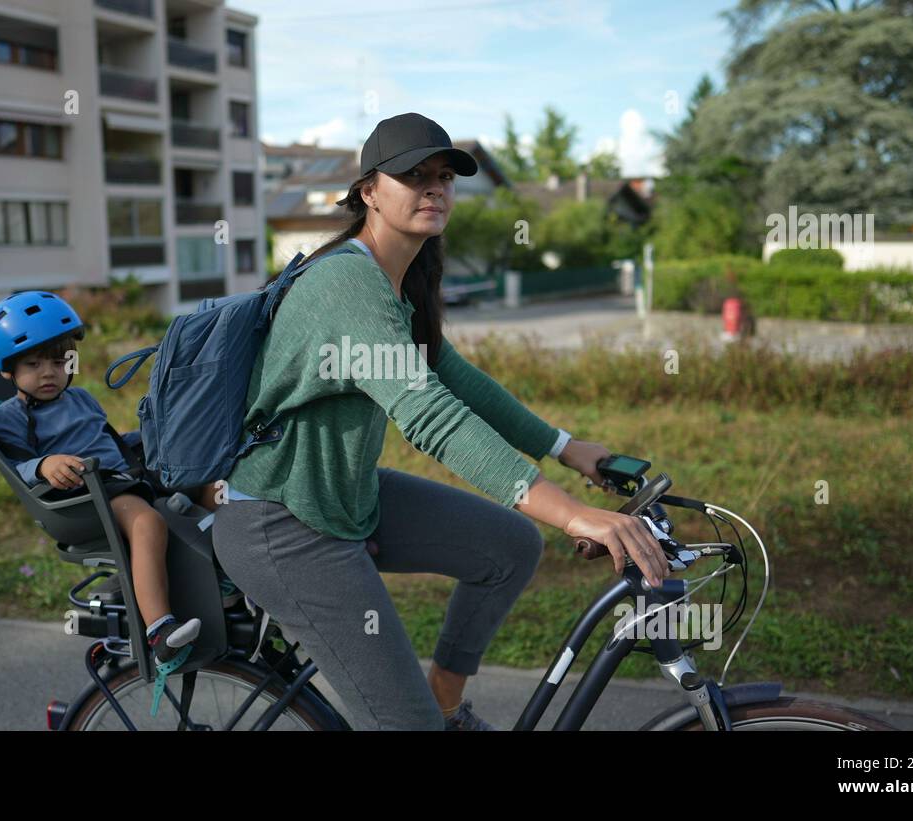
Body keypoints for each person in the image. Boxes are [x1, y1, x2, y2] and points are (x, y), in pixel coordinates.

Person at [211, 113, 671, 731]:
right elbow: (430, 415)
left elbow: (455, 378)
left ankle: (446, 705)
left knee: (508, 546)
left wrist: (565, 447)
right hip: (282, 523)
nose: (435, 188)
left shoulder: (398, 281)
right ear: (369, 191)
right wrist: (570, 512)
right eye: (414, 176)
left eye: (444, 177)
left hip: (344, 499)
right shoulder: (344, 282)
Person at [0, 291, 216, 679]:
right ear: (8, 370)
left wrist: (148, 437)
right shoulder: (12, 416)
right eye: (33, 364)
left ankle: (230, 569)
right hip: (89, 496)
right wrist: (44, 465)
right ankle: (160, 629)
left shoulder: (82, 398)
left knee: (206, 482)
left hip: (124, 475)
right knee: (147, 522)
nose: (48, 373)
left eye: (59, 361)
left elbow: (106, 440)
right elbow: (15, 466)